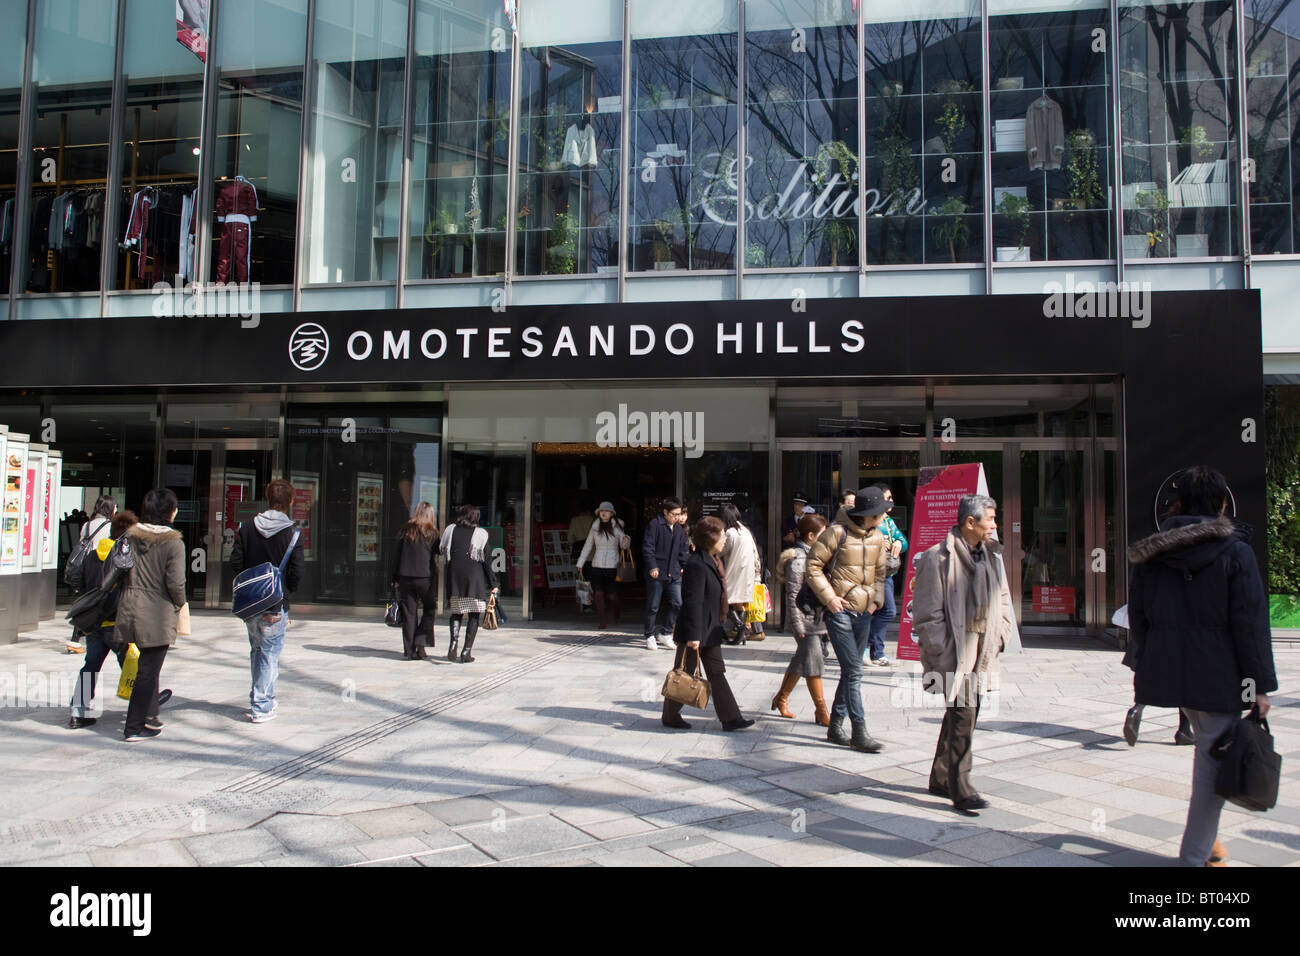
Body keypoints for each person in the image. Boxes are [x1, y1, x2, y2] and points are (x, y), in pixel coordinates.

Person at [1126, 466, 1276, 867]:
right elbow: (1250, 625)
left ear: (1177, 505)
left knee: (1208, 757)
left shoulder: (1152, 554)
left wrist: (1152, 662)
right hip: (1219, 678)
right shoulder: (1236, 553)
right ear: (1222, 504)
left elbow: (1138, 619)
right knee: (1212, 773)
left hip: (1172, 673)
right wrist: (1258, 687)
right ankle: (1194, 859)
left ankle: (1208, 845)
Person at [912, 493, 1020, 815]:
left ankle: (941, 777)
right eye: (991, 519)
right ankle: (962, 788)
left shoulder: (989, 555)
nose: (994, 525)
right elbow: (927, 613)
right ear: (970, 523)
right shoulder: (937, 558)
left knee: (964, 716)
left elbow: (1002, 598)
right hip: (954, 653)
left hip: (983, 650)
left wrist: (1001, 635)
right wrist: (941, 649)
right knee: (963, 718)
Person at [806, 486, 889, 752]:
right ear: (867, 515)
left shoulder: (878, 537)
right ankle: (859, 731)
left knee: (849, 671)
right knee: (854, 670)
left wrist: (876, 600)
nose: (884, 517)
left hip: (864, 612)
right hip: (839, 613)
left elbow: (880, 572)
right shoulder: (836, 533)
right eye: (880, 513)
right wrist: (829, 598)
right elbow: (813, 565)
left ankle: (835, 726)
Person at [68, 511, 163, 729]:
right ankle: (145, 708)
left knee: (90, 666)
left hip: (94, 623)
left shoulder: (93, 556)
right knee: (135, 667)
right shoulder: (124, 557)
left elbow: (81, 585)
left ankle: (78, 711)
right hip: (118, 624)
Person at [662, 516, 753, 732]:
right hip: (695, 630)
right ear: (710, 538)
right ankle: (669, 716)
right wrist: (693, 636)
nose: (724, 540)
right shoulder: (696, 564)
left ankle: (731, 718)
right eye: (721, 536)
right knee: (683, 673)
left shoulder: (714, 560)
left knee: (716, 672)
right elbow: (693, 602)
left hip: (710, 629)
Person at [113, 489, 186, 742]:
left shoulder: (130, 537)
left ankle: (150, 716)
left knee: (146, 667)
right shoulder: (173, 543)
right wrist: (180, 605)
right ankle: (134, 726)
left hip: (130, 606)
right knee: (148, 670)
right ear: (170, 511)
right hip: (156, 611)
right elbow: (176, 583)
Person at [230, 479, 305, 723]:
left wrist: (251, 583)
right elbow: (297, 572)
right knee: (269, 653)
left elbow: (236, 563)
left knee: (257, 650)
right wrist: (285, 592)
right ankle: (262, 705)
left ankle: (258, 696)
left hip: (250, 603)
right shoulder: (292, 533)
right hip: (275, 603)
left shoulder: (247, 527)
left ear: (267, 498)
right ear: (291, 502)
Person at [770, 512, 830, 725]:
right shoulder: (798, 558)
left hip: (817, 618)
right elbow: (793, 594)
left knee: (802, 659)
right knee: (813, 661)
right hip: (804, 620)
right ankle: (821, 711)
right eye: (824, 533)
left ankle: (781, 698)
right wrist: (796, 623)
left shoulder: (819, 555)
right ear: (812, 536)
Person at [440, 504, 499, 663]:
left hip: (455, 577)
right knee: (474, 614)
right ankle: (466, 652)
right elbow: (486, 561)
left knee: (456, 613)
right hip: (474, 578)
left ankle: (453, 645)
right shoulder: (481, 534)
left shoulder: (450, 530)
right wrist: (493, 583)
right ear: (476, 517)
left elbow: (442, 550)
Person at [67, 494, 117, 653]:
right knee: (101, 601)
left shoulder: (87, 525)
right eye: (115, 506)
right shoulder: (110, 526)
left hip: (87, 568)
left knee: (87, 601)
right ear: (110, 508)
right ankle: (95, 636)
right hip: (103, 568)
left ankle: (75, 640)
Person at [390, 501, 439, 660]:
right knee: (430, 608)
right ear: (430, 515)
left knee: (409, 613)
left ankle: (409, 651)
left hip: (405, 577)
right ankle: (421, 641)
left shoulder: (405, 530)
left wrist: (394, 578)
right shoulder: (432, 533)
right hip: (425, 577)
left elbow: (396, 556)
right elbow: (438, 552)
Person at [867, 482, 908, 667]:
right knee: (886, 610)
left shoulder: (888, 522)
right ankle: (868, 646)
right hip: (873, 574)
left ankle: (875, 650)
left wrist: (899, 543)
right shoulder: (869, 520)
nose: (892, 501)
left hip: (888, 573)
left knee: (885, 610)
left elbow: (903, 540)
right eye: (888, 498)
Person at [642, 495, 688, 651]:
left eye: (679, 514)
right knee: (653, 605)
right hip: (657, 572)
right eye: (674, 514)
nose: (677, 518)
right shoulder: (655, 525)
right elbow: (648, 547)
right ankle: (649, 634)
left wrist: (685, 566)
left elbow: (683, 551)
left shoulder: (679, 529)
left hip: (674, 572)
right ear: (665, 512)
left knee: (677, 603)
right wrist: (652, 566)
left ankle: (666, 632)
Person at [576, 501, 631, 630]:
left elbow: (624, 546)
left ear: (612, 513)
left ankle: (617, 612)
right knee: (598, 594)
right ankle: (602, 620)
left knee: (612, 596)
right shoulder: (595, 527)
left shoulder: (617, 527)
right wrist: (580, 562)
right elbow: (588, 545)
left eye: (606, 511)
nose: (604, 513)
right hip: (597, 565)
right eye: (601, 511)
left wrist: (626, 540)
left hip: (613, 566)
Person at [719, 503, 762, 643]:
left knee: (727, 601)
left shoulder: (730, 533)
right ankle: (740, 635)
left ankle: (741, 626)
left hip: (734, 572)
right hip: (747, 573)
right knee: (739, 604)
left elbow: (721, 551)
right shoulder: (745, 530)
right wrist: (757, 574)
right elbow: (755, 553)